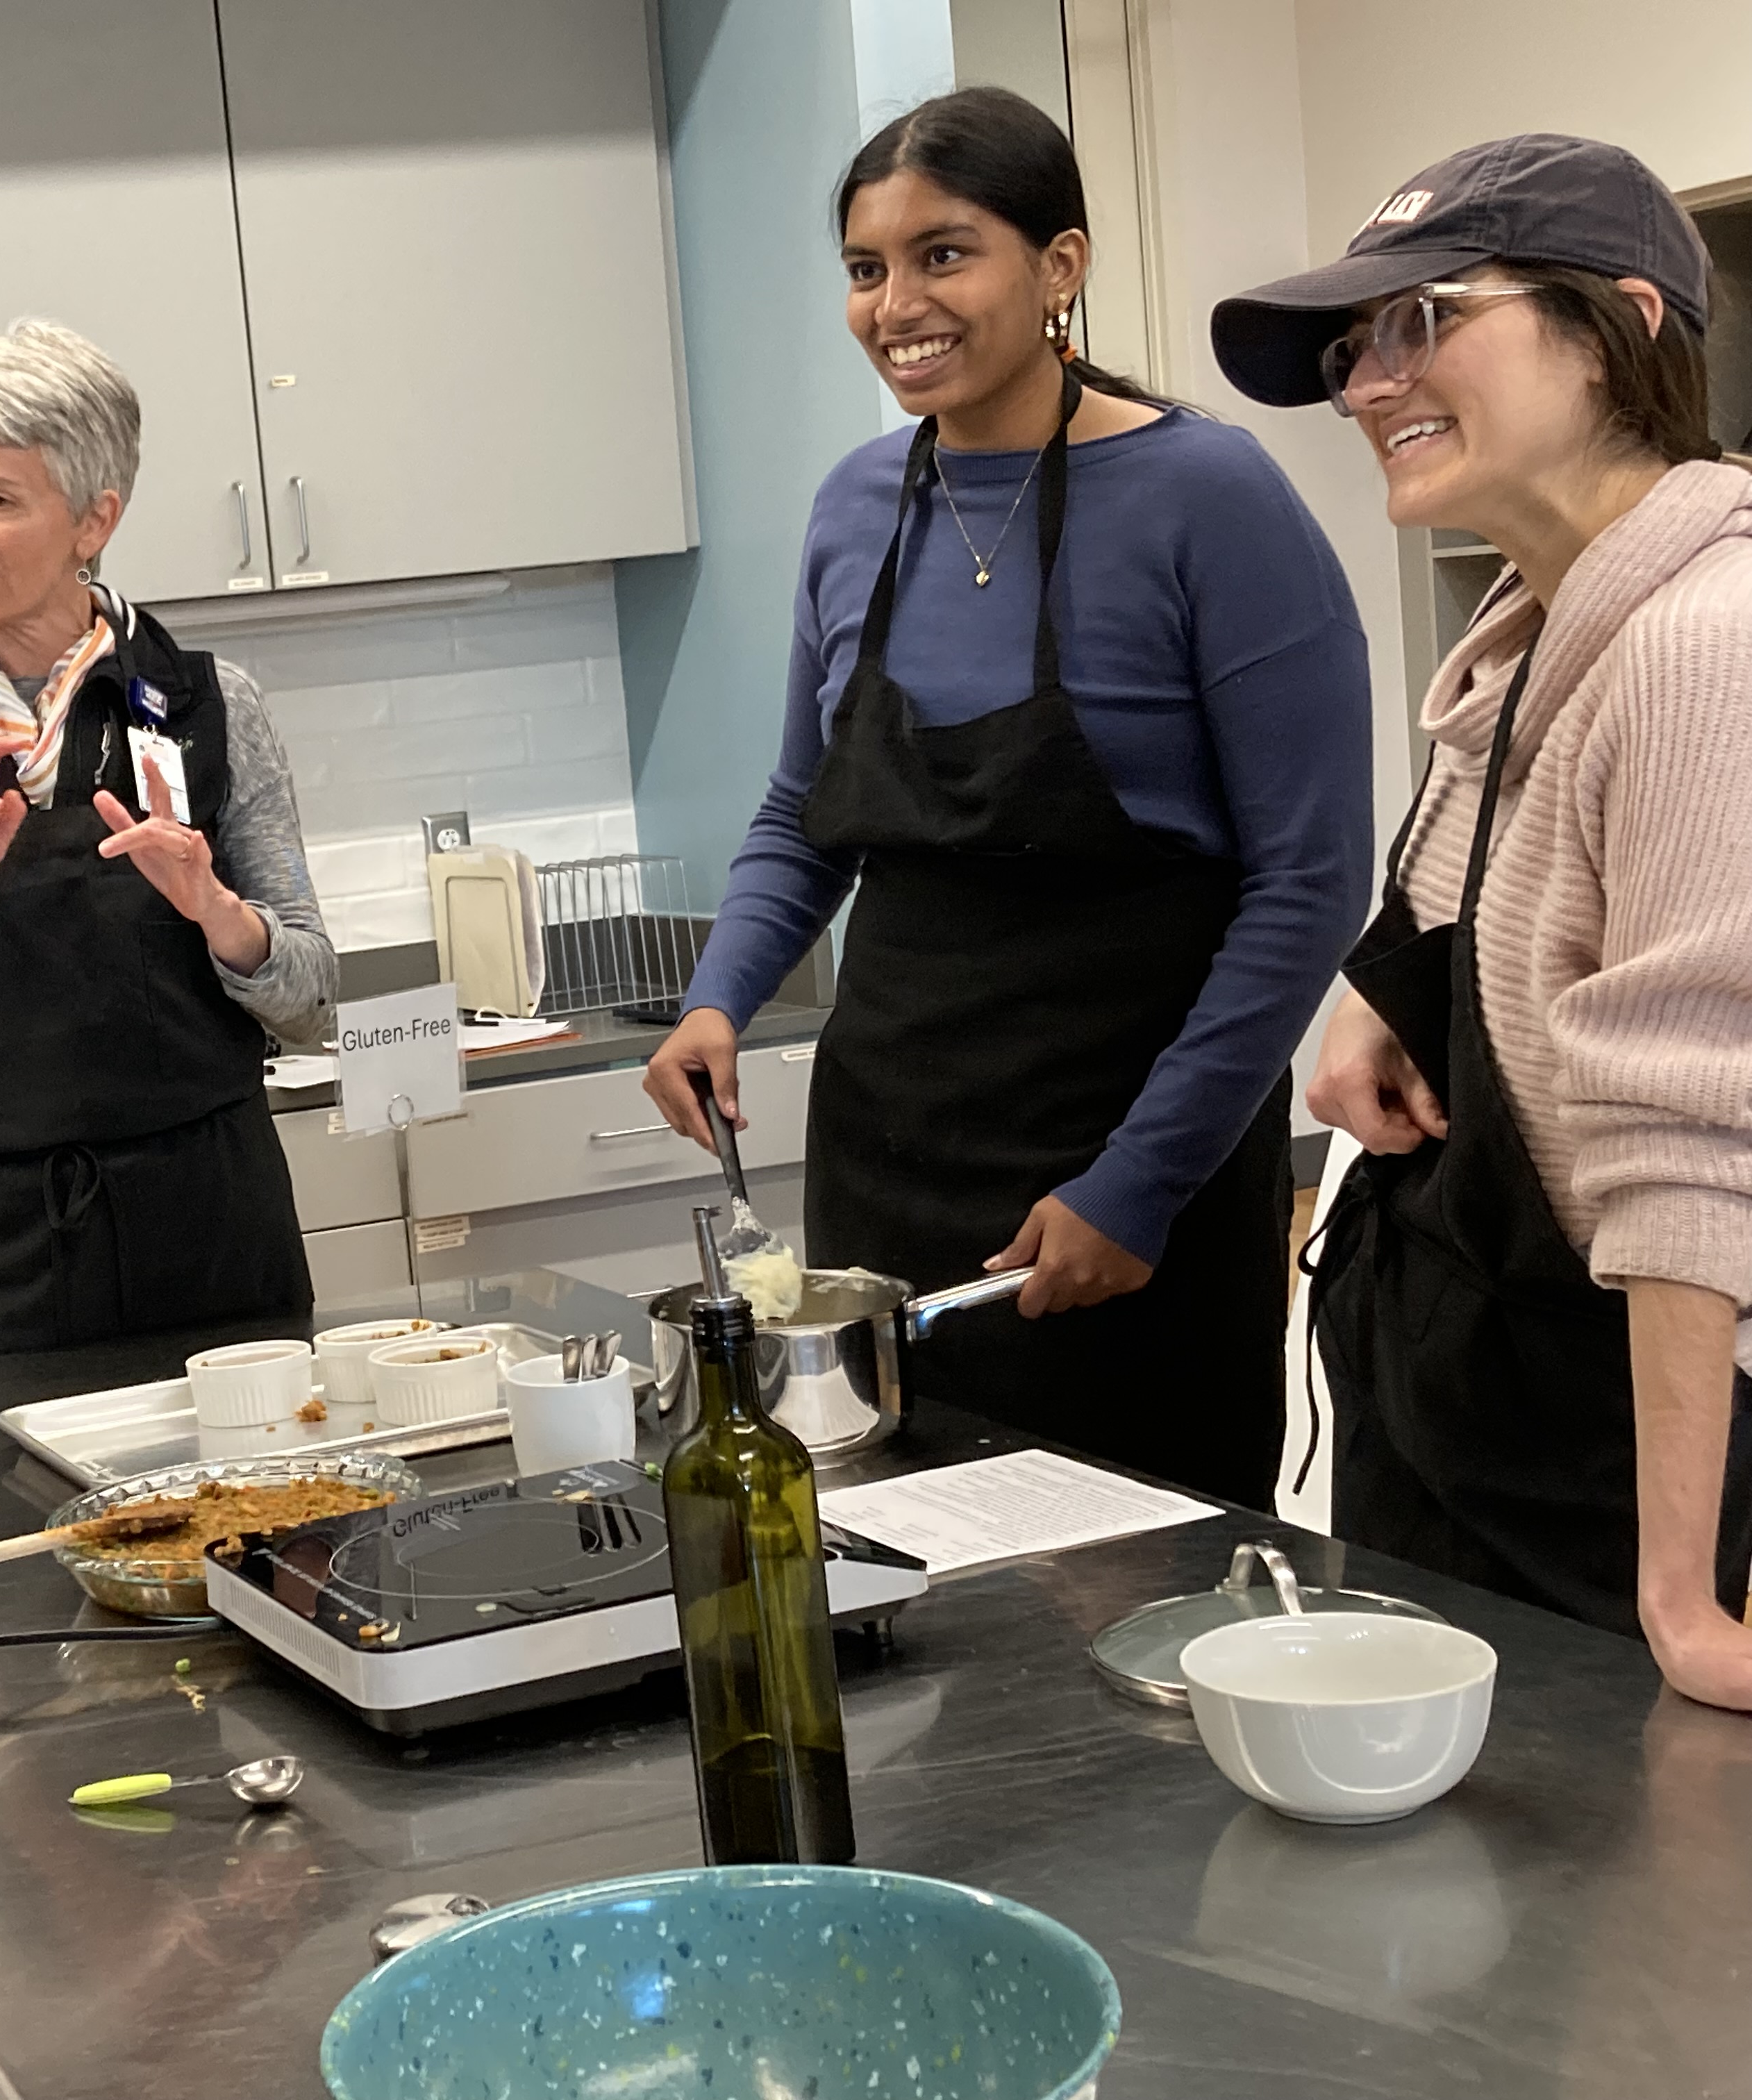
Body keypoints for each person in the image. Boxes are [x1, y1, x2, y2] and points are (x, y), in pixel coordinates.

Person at [642, 87, 1375, 1508]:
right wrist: (718, 996)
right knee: (905, 1555)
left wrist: (1139, 1182)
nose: (896, 305)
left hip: (1129, 1158)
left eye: (944, 254)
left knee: (1137, 1570)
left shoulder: (1209, 497)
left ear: (1060, 267)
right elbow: (804, 812)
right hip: (887, 1151)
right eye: (866, 268)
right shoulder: (857, 506)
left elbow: (1308, 884)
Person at [1214, 133, 1752, 1703]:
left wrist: (1682, 1600)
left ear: (1618, 328)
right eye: (1350, 349)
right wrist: (1375, 1002)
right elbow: (1490, 917)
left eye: (1423, 319)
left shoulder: (1707, 641)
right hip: (1465, 1424)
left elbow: (1688, 1142)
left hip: (1618, 1470)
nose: (1368, 384)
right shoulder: (1527, 631)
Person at [0, 319, 335, 1362]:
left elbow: (311, 1002)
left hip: (214, 1216)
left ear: (95, 520)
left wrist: (215, 911)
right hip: (7, 1241)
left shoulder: (209, 705)